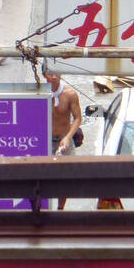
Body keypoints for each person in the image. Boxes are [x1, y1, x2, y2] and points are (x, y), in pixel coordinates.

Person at [43, 64, 82, 210]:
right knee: (41, 176)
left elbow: (77, 118)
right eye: (50, 73)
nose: (53, 77)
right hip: (44, 140)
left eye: (56, 73)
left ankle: (60, 209)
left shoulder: (70, 94)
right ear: (44, 75)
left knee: (66, 177)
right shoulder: (38, 93)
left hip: (64, 139)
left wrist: (68, 137)